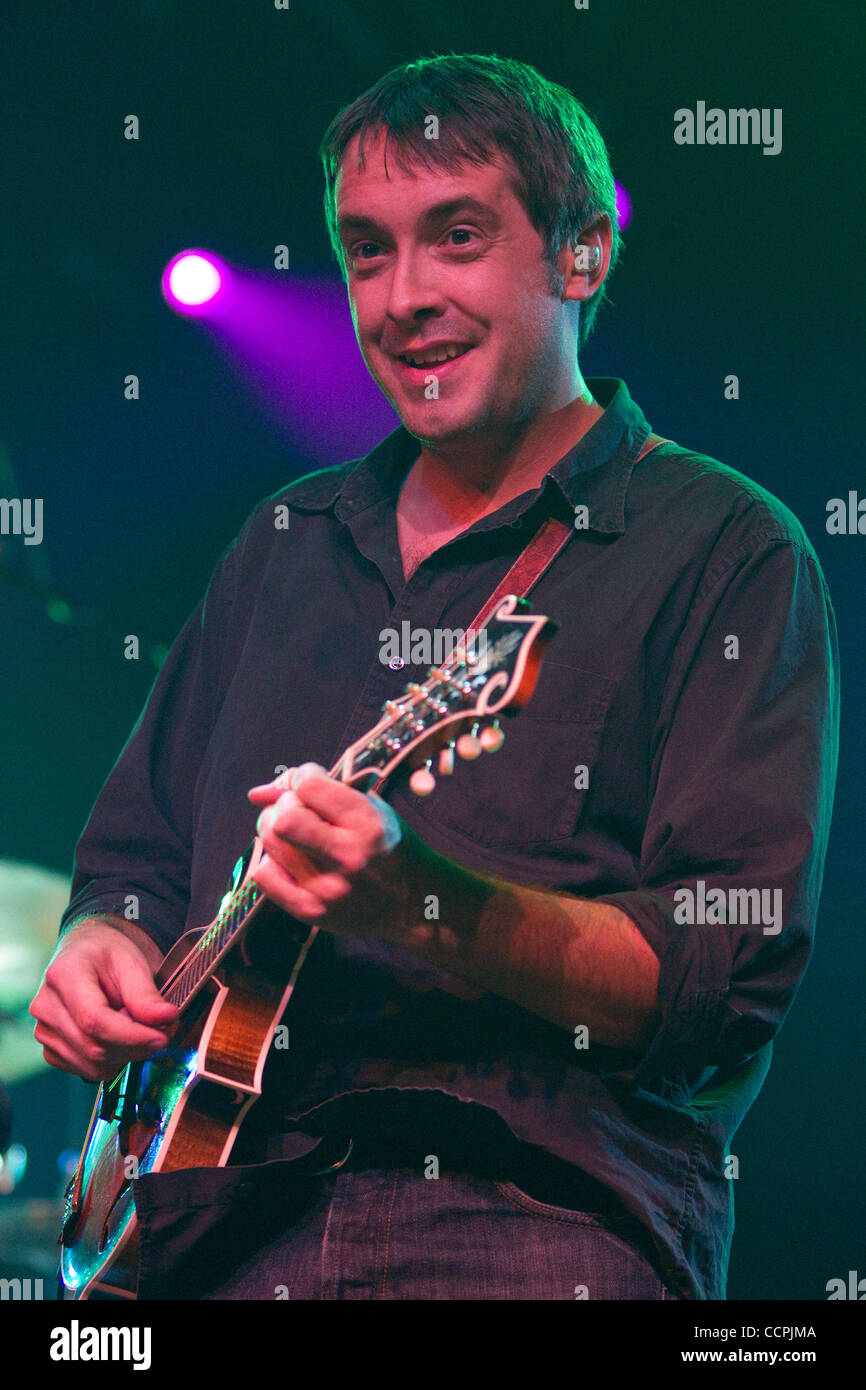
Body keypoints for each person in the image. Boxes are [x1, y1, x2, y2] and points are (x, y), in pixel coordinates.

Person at [31, 53, 838, 1301]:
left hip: (525, 1217)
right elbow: (132, 859)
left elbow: (719, 980)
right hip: (206, 1229)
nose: (401, 296)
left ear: (580, 255)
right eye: (365, 250)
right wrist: (99, 942)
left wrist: (423, 897)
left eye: (455, 236)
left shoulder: (722, 548)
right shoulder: (281, 542)